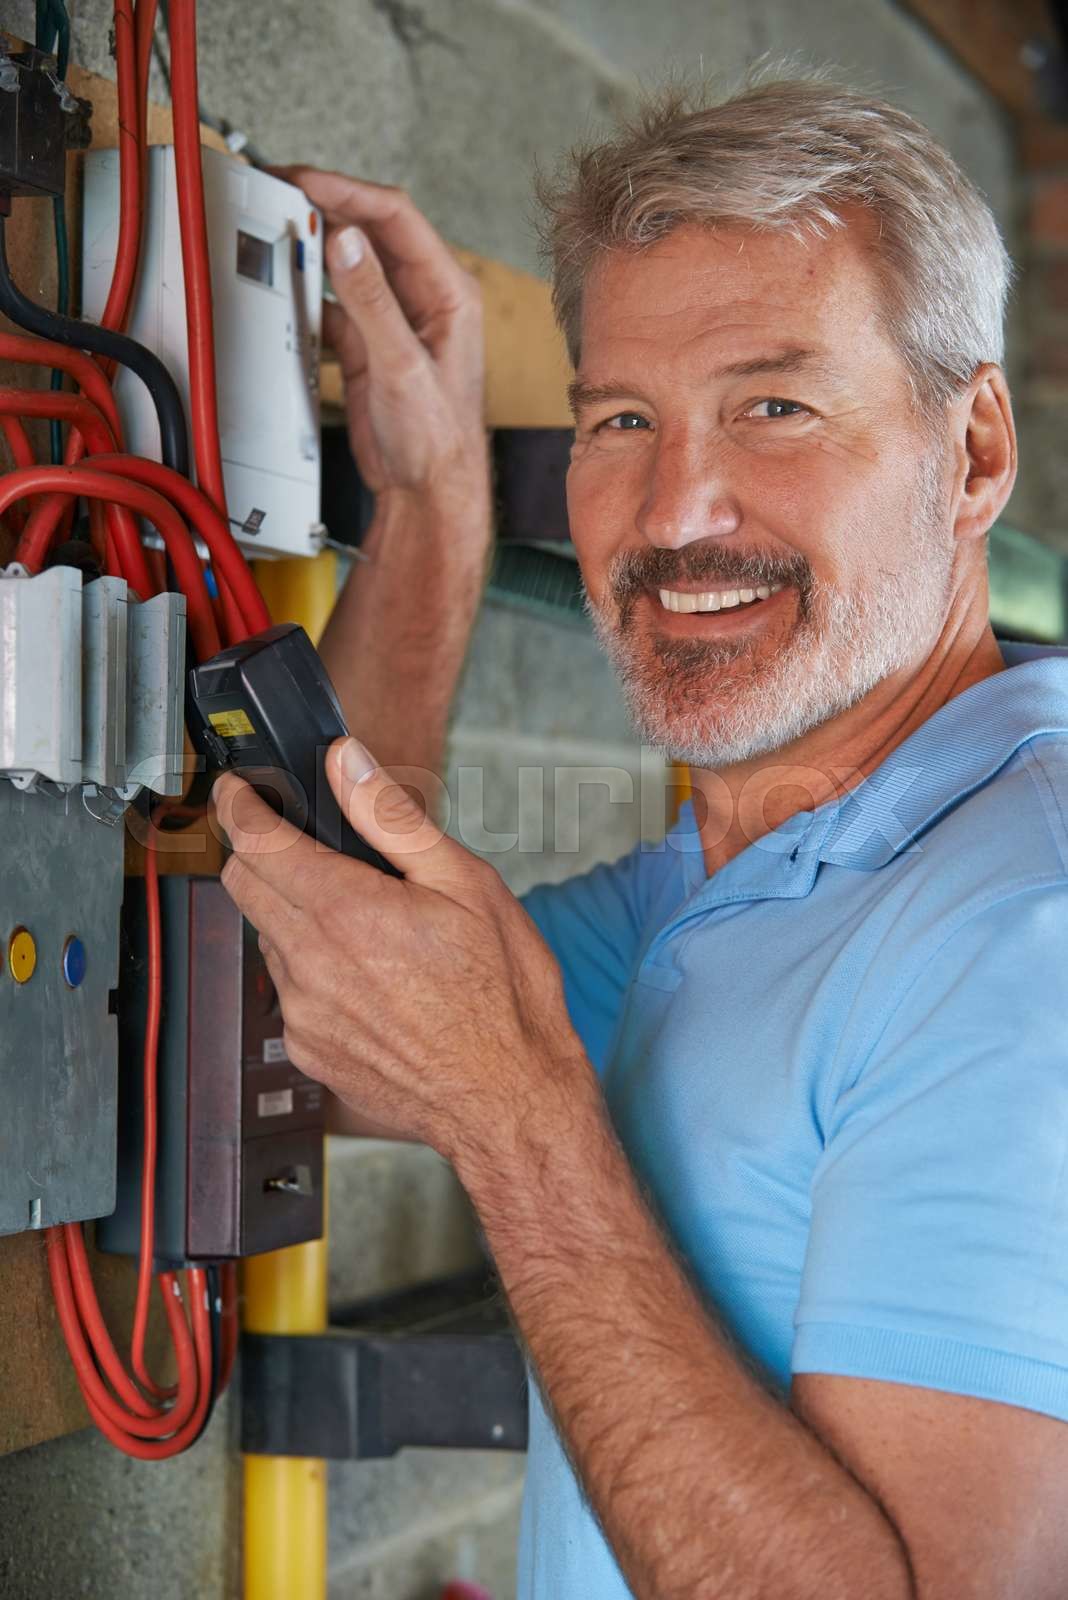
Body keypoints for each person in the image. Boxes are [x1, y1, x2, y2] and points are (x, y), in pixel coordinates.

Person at [215, 77, 1068, 1600]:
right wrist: (428, 506)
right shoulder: (737, 883)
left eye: (775, 405)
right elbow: (322, 1029)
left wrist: (515, 1120)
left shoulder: (1021, 926)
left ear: (977, 452)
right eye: (623, 418)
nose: (676, 511)